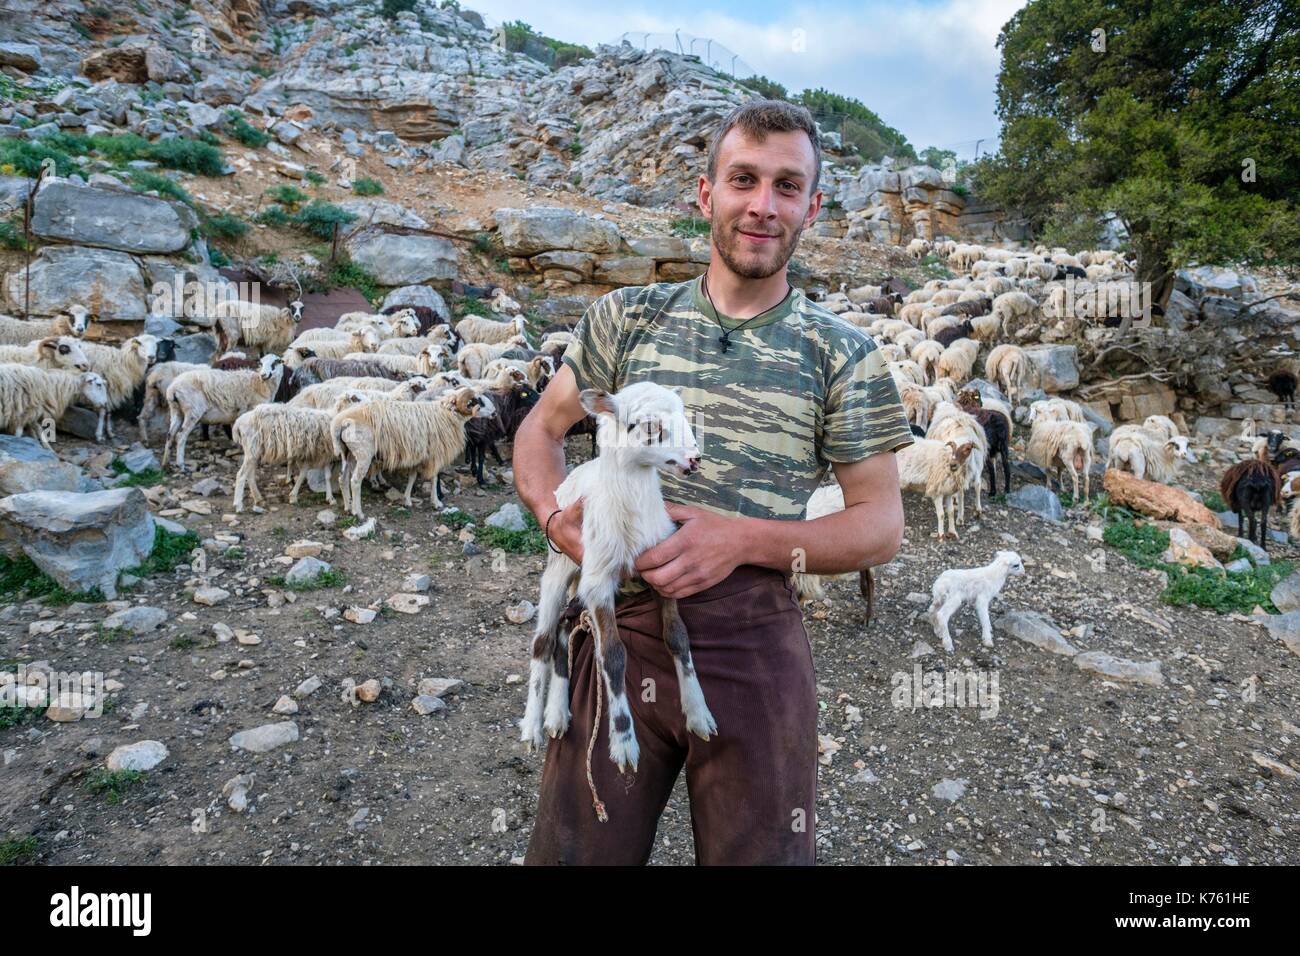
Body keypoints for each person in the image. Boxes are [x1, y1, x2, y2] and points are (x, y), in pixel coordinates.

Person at [512, 98, 914, 865]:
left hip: (752, 644)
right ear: (707, 194)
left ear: (813, 206)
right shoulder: (625, 321)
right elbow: (541, 428)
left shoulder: (844, 355)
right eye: (744, 179)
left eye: (787, 186)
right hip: (618, 634)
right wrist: (552, 515)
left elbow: (879, 526)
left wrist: (743, 542)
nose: (764, 206)